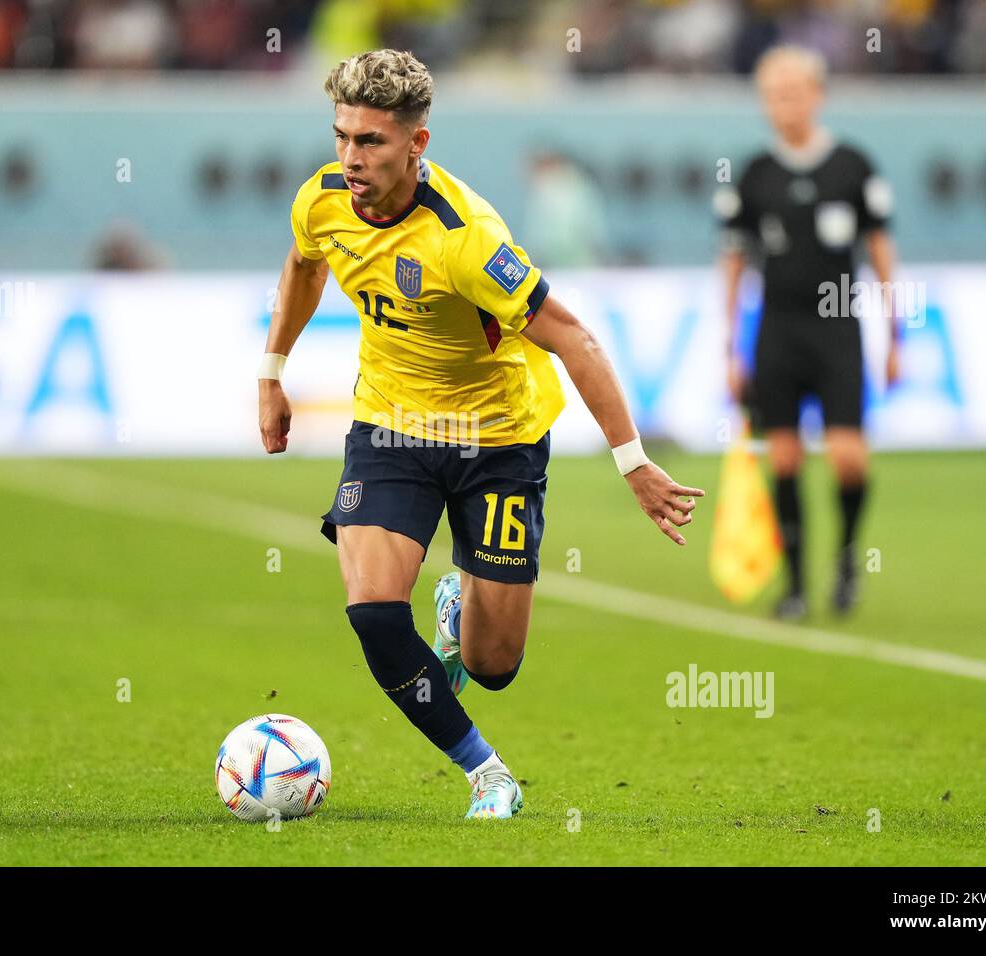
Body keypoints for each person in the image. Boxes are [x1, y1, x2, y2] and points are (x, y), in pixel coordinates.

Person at [257, 49, 704, 820]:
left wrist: (632, 463)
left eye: (371, 143)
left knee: (495, 666)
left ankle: (463, 608)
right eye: (341, 137)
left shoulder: (467, 240)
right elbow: (304, 265)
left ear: (416, 145)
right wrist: (271, 370)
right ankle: (488, 773)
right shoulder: (322, 201)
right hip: (391, 427)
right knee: (372, 611)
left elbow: (575, 339)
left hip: (498, 439)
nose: (350, 158)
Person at [715, 45, 900, 621]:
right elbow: (734, 261)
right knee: (786, 458)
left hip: (838, 327)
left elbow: (879, 250)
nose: (784, 105)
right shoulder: (754, 174)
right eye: (773, 95)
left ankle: (845, 557)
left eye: (794, 93)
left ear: (817, 96)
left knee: (848, 457)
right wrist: (729, 346)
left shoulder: (853, 166)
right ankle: (795, 587)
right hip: (777, 329)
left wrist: (895, 334)